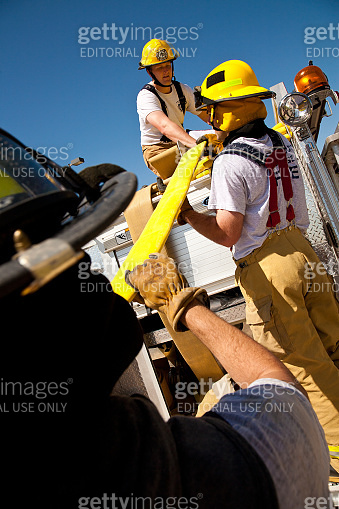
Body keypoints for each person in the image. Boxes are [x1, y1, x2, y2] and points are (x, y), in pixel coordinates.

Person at [0, 128, 331, 508]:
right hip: (301, 254)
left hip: (270, 267)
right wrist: (181, 303)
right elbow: (284, 400)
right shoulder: (200, 473)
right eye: (76, 262)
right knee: (314, 354)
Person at [177, 59, 339, 472]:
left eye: (212, 108)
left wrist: (191, 216)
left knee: (300, 366)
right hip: (303, 252)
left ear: (225, 109)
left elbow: (229, 233)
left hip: (269, 268)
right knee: (333, 346)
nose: (209, 115)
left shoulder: (230, 162)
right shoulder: (280, 144)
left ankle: (335, 456)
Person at [137, 38, 210, 178]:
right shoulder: (145, 96)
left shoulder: (183, 90)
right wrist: (196, 146)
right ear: (149, 72)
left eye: (168, 65)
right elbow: (164, 126)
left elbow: (207, 116)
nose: (165, 71)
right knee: (182, 179)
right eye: (159, 67)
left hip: (181, 143)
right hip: (157, 150)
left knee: (215, 157)